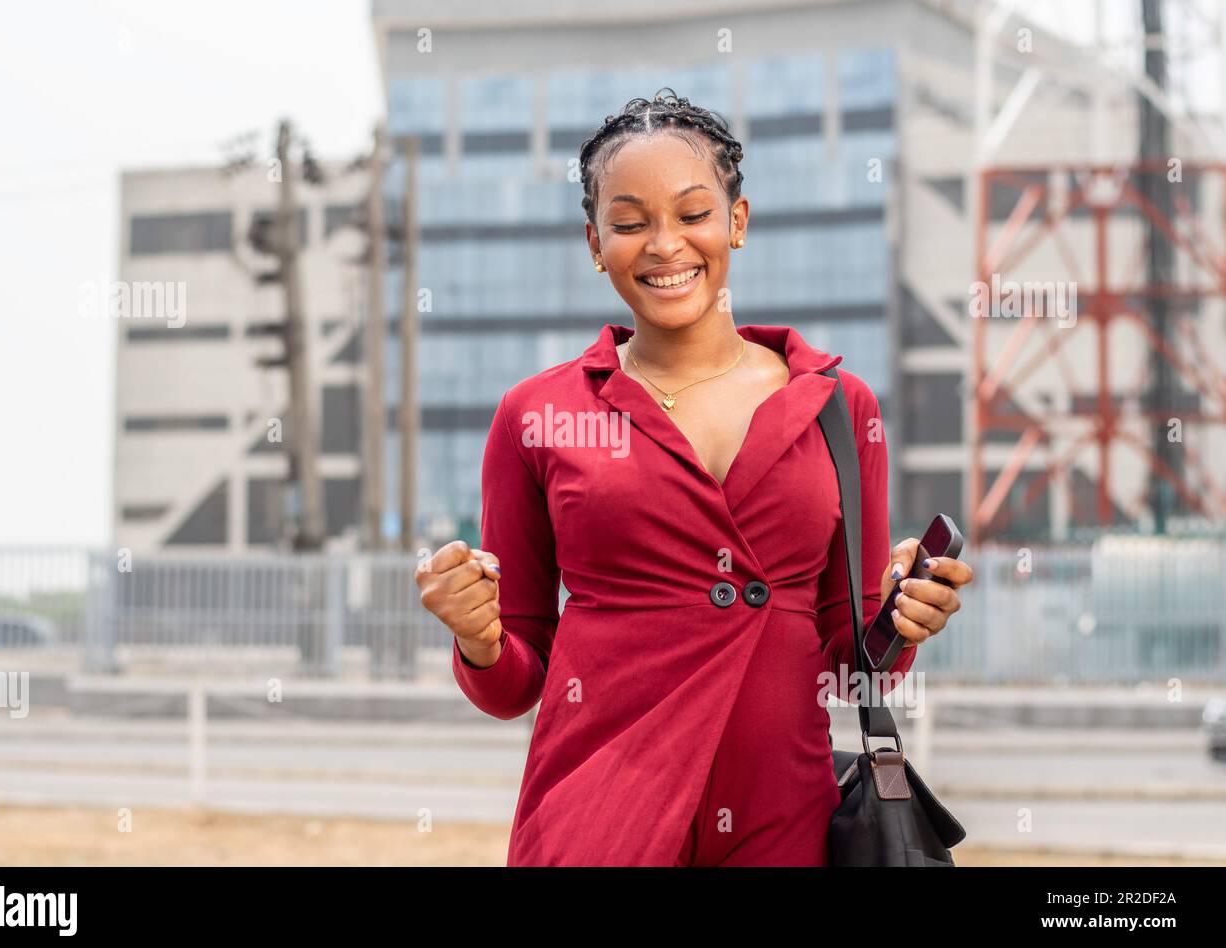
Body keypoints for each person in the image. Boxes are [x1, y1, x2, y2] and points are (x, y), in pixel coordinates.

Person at [416, 88, 974, 866]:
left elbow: (852, 667)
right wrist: (477, 637)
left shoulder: (839, 409)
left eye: (691, 214)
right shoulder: (535, 414)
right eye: (629, 222)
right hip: (599, 813)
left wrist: (905, 617)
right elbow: (515, 684)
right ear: (593, 240)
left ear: (737, 223)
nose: (663, 244)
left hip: (780, 815)